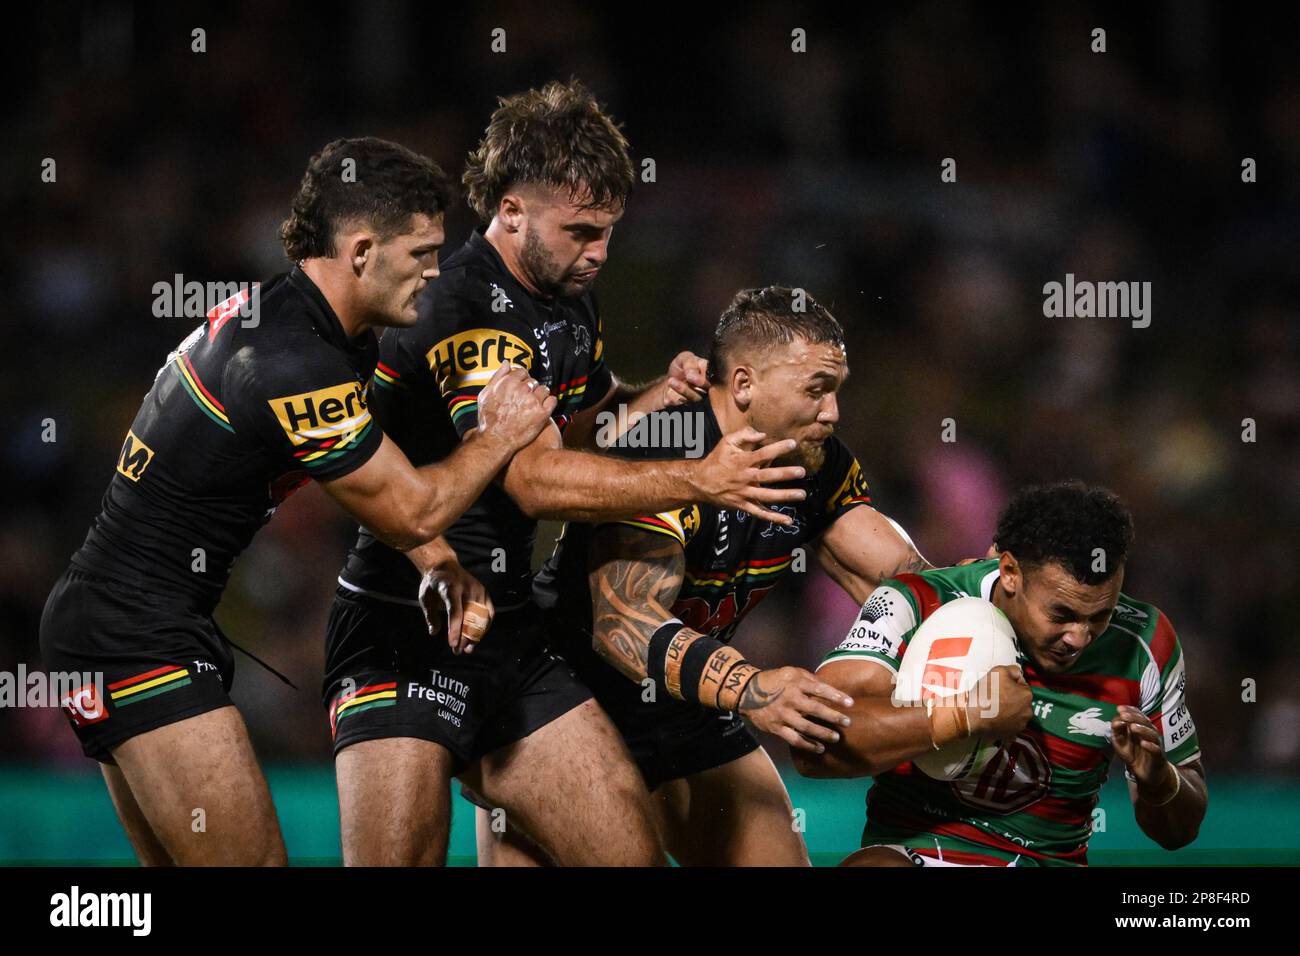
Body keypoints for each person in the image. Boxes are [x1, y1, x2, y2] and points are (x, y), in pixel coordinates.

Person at [325, 82, 807, 866]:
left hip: (508, 628)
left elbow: (580, 426)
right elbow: (532, 481)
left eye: (610, 232)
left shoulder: (564, 298)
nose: (600, 253)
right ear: (511, 211)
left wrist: (652, 397)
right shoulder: (466, 305)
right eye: (581, 231)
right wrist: (698, 480)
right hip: (404, 626)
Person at [38, 137, 555, 865]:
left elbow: (368, 481)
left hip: (121, 623)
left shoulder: (308, 326)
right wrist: (499, 435)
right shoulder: (290, 361)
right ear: (363, 250)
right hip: (134, 635)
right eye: (422, 253)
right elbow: (411, 507)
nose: (436, 273)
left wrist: (436, 561)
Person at [480, 285, 929, 865]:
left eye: (836, 390)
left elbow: (900, 580)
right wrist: (752, 689)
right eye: (817, 390)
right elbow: (624, 625)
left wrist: (990, 601)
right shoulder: (663, 449)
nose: (833, 412)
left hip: (684, 703)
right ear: (744, 385)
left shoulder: (815, 461)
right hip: (565, 702)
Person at [798, 481, 1207, 867]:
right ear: (1010, 573)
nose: (1079, 638)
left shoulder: (1143, 643)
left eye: (1099, 616)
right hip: (914, 851)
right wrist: (966, 716)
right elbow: (816, 747)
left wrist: (1159, 781)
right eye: (1061, 615)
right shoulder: (917, 602)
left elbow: (1180, 831)